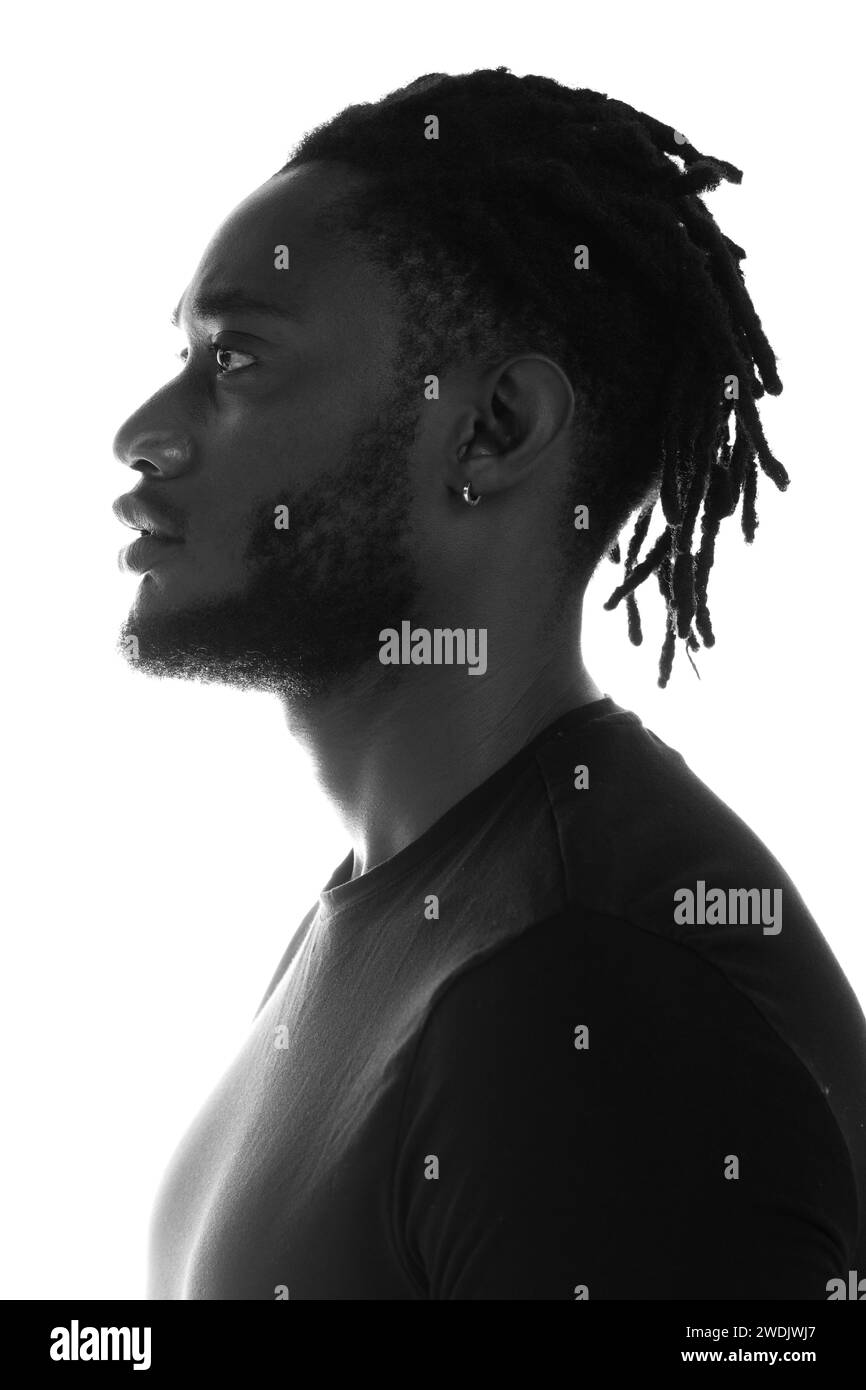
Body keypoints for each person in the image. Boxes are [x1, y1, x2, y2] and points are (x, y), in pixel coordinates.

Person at [113, 69, 866, 1299]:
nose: (145, 426)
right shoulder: (407, 909)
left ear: (492, 430)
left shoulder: (593, 1003)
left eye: (235, 357)